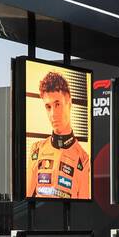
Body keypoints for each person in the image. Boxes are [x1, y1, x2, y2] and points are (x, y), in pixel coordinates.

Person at [26, 71, 91, 199]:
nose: (53, 114)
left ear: (69, 103)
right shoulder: (37, 150)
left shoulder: (84, 160)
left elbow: (84, 209)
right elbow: (24, 200)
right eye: (48, 107)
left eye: (57, 104)